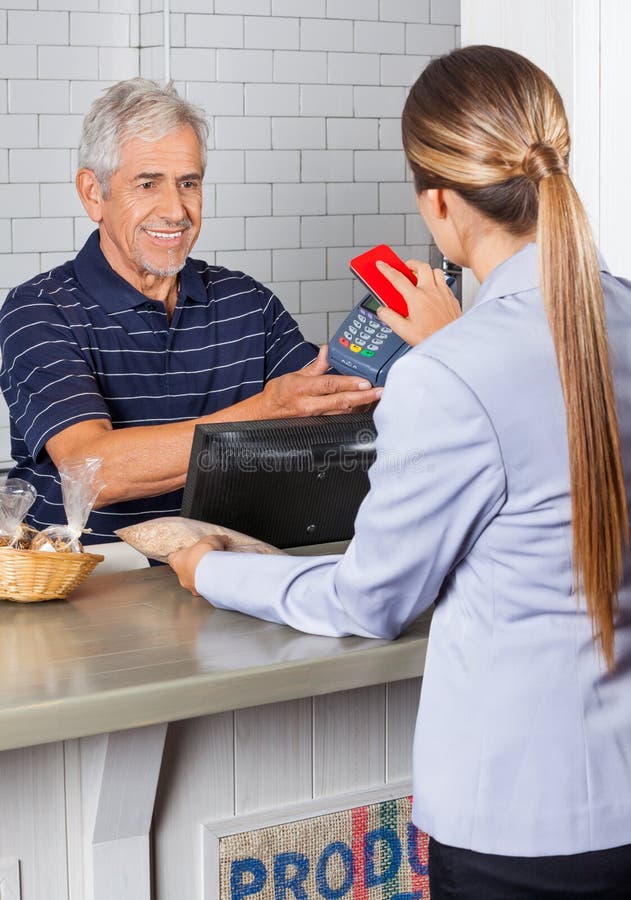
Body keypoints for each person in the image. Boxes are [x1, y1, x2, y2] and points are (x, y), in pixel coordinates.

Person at [168, 45, 631, 899]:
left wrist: (209, 569)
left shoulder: (449, 373)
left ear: (438, 202)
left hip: (519, 823)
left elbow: (368, 601)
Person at [0, 79, 381, 543]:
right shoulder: (40, 310)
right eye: (147, 184)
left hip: (228, 567)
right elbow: (93, 470)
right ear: (93, 193)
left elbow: (332, 418)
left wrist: (414, 346)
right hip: (94, 576)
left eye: (188, 183)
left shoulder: (246, 302)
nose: (175, 210)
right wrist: (266, 410)